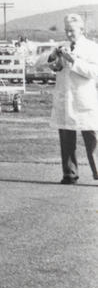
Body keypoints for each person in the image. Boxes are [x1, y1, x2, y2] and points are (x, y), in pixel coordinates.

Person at [48, 12, 98, 185]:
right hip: (66, 99)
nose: (68, 34)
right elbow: (42, 62)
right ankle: (69, 173)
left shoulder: (92, 47)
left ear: (82, 29)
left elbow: (95, 72)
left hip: (84, 99)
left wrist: (74, 63)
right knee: (66, 137)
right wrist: (54, 58)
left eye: (72, 31)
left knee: (92, 139)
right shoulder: (62, 46)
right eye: (67, 30)